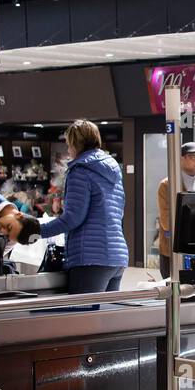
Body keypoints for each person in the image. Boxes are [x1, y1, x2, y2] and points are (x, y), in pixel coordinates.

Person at [18, 119, 128, 294]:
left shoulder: (80, 171)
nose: (68, 150)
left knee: (82, 318)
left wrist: (36, 230)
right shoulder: (112, 171)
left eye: (69, 144)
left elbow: (73, 218)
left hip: (90, 259)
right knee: (107, 318)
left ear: (76, 143)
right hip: (117, 257)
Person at [157, 141, 195, 279]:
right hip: (173, 249)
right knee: (174, 290)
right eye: (193, 157)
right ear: (181, 158)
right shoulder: (167, 185)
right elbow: (166, 221)